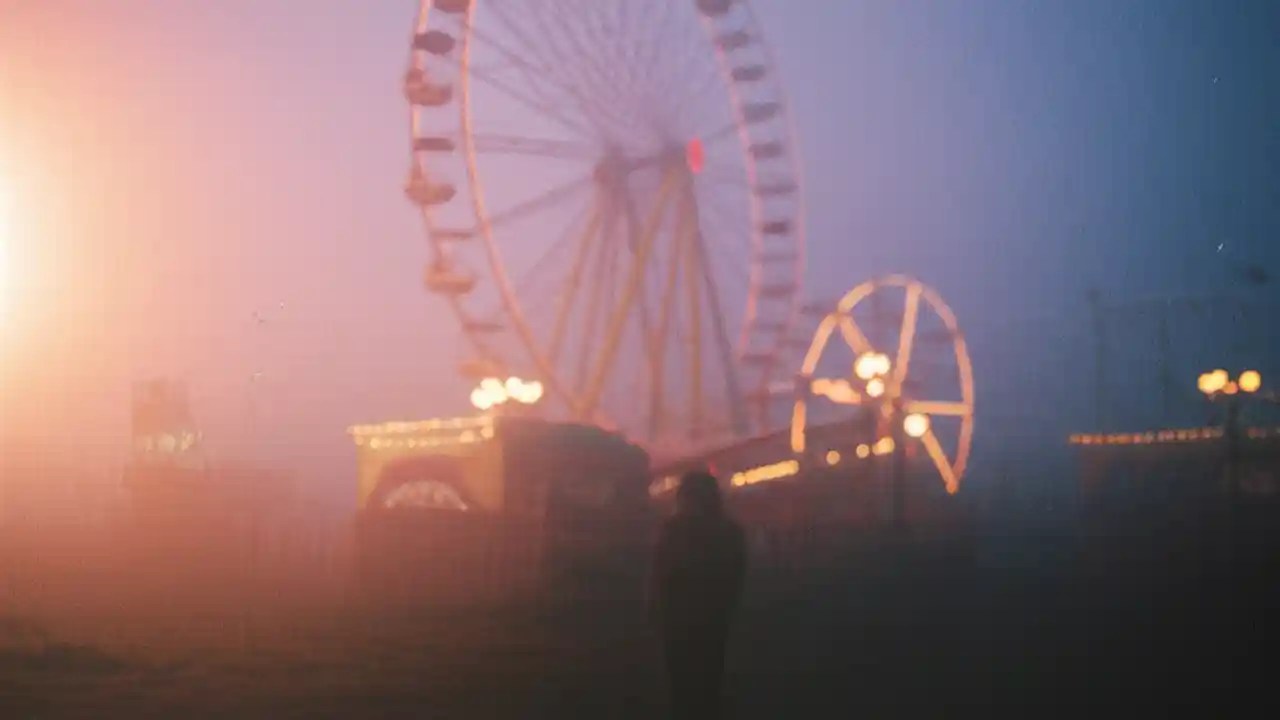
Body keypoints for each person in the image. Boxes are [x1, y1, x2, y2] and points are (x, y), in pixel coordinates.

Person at [649, 470, 746, 719]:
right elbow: (736, 578)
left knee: (681, 685)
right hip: (715, 621)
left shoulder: (673, 531)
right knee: (709, 679)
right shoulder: (730, 533)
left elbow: (661, 577)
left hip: (678, 623)